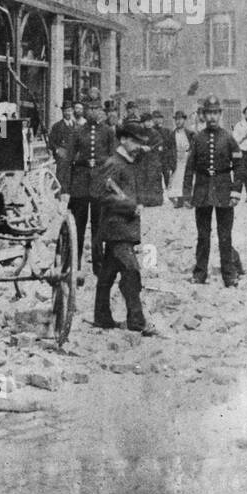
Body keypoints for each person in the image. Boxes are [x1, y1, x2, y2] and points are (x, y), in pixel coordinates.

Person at [93, 121, 157, 335]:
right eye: (136, 141)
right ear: (123, 140)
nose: (139, 145)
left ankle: (101, 316)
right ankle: (137, 320)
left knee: (108, 274)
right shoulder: (114, 163)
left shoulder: (128, 163)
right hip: (116, 229)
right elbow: (102, 195)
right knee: (131, 270)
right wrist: (130, 206)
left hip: (124, 230)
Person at [185, 95, 243, 285]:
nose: (212, 117)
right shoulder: (198, 138)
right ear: (204, 115)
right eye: (208, 113)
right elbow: (189, 167)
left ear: (220, 114)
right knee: (203, 236)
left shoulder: (228, 138)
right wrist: (187, 194)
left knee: (225, 236)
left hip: (224, 190)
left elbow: (239, 166)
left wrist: (236, 192)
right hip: (202, 191)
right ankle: (200, 273)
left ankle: (229, 275)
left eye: (215, 113)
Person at [65, 90, 113, 274]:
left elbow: (113, 159)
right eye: (90, 108)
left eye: (96, 108)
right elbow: (68, 159)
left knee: (98, 226)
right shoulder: (77, 132)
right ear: (84, 110)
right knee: (77, 225)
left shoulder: (108, 132)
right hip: (80, 184)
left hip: (99, 185)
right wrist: (66, 187)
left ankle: (98, 264)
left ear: (101, 110)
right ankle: (74, 263)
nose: (93, 112)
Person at [47, 99, 79, 194]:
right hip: (62, 157)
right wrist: (57, 150)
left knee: (73, 179)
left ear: (72, 111)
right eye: (66, 111)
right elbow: (51, 142)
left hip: (73, 156)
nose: (68, 113)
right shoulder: (57, 126)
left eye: (69, 110)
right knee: (61, 179)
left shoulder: (76, 126)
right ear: (62, 112)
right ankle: (60, 198)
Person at [135, 112, 166, 208]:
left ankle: (155, 200)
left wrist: (151, 148)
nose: (148, 123)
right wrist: (141, 147)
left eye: (149, 121)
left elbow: (159, 144)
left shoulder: (155, 133)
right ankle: (142, 200)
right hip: (142, 160)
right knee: (141, 179)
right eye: (146, 121)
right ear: (142, 123)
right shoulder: (138, 133)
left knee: (153, 179)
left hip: (153, 160)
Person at [168, 110, 191, 207]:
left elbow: (193, 146)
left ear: (184, 120)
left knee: (187, 178)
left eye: (180, 119)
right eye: (176, 119)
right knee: (177, 180)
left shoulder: (189, 133)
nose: (178, 122)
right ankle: (179, 200)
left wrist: (189, 153)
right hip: (177, 159)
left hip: (187, 158)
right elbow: (169, 149)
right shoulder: (172, 135)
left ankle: (188, 199)